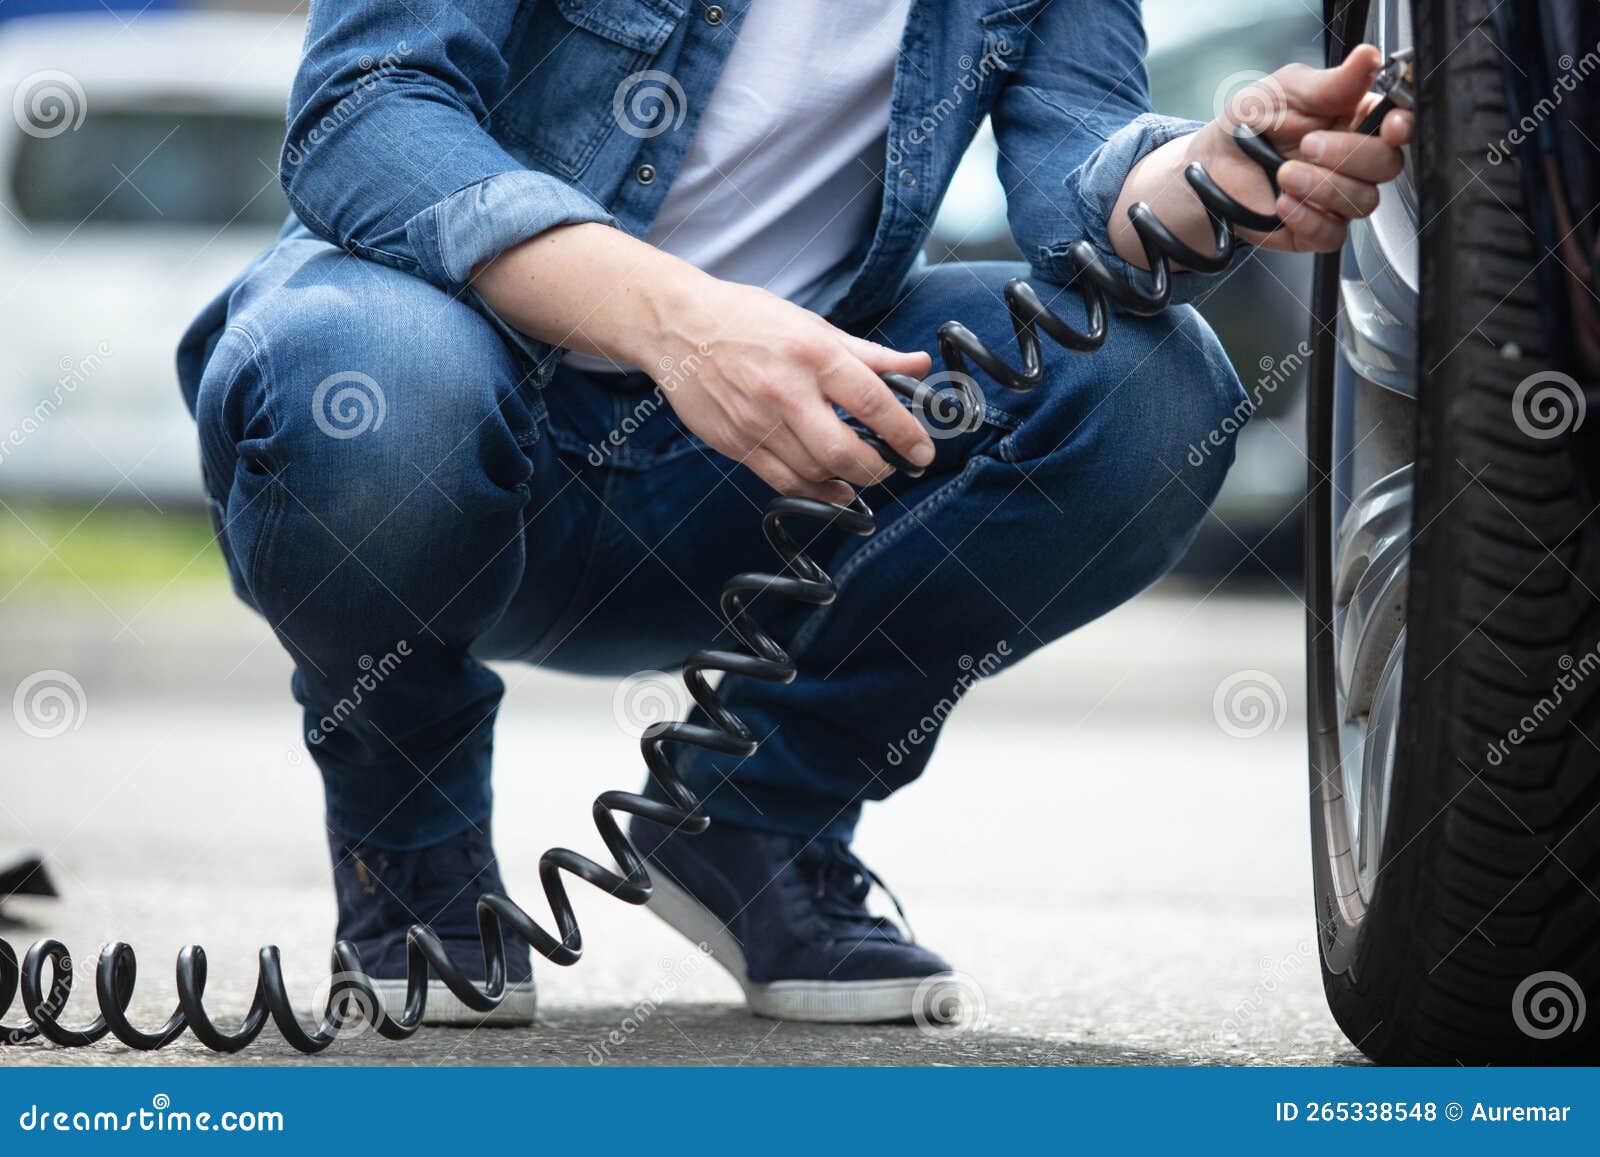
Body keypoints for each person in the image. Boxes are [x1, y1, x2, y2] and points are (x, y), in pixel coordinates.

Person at [178, 1, 1412, 1026]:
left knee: (1148, 390)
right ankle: (409, 843)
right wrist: (682, 323)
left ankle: (754, 818)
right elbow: (366, 109)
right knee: (371, 386)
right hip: (444, 415)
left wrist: (1218, 168)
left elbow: (1076, 173)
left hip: (764, 475)